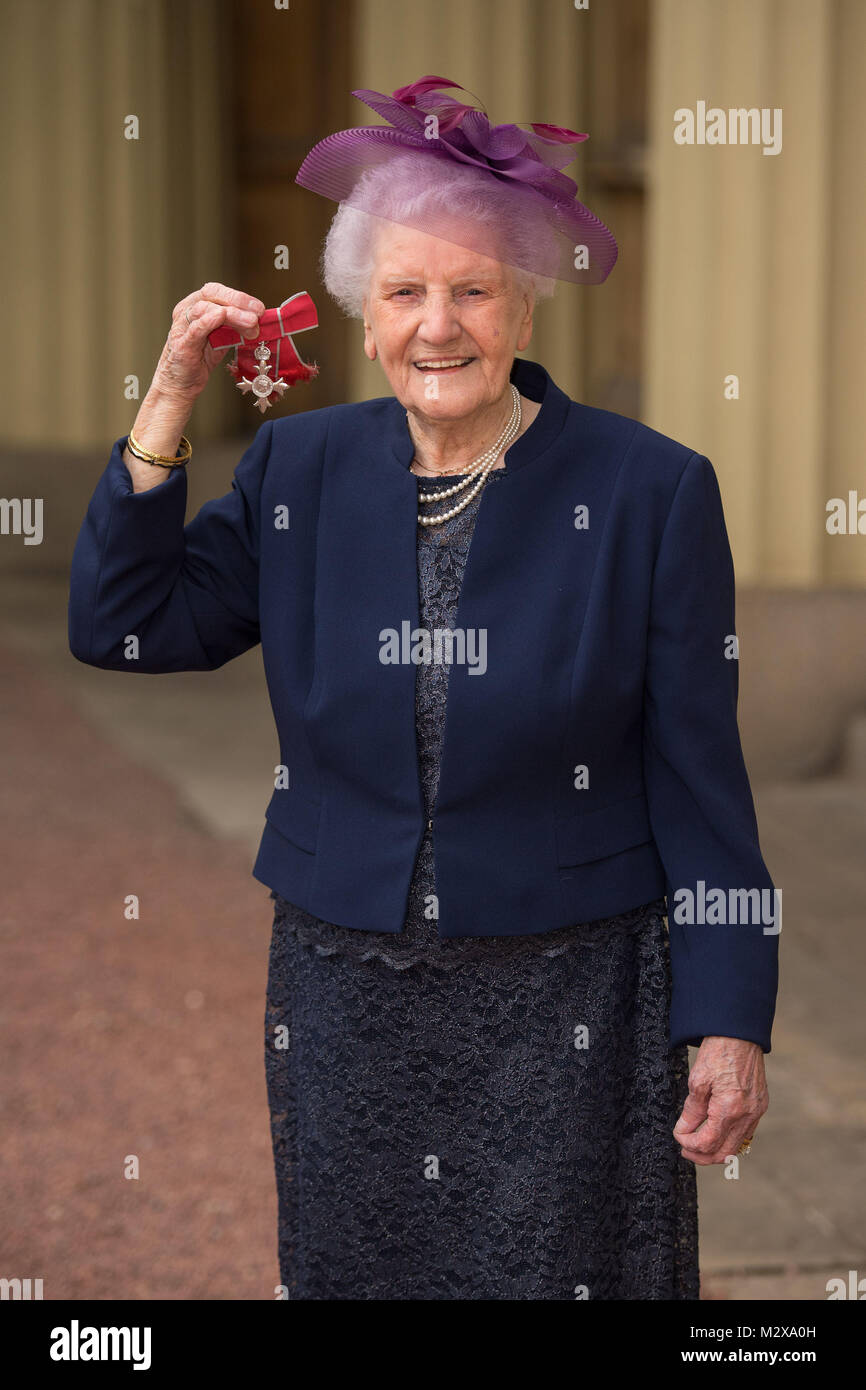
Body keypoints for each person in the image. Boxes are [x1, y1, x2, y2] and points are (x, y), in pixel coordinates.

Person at [68, 76, 778, 1300]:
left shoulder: (645, 491)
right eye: (403, 292)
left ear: (522, 304)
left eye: (471, 290)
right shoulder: (301, 463)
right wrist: (172, 394)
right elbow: (126, 626)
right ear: (361, 310)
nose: (436, 326)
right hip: (346, 992)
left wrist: (728, 1015)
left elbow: (698, 777)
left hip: (573, 1000)